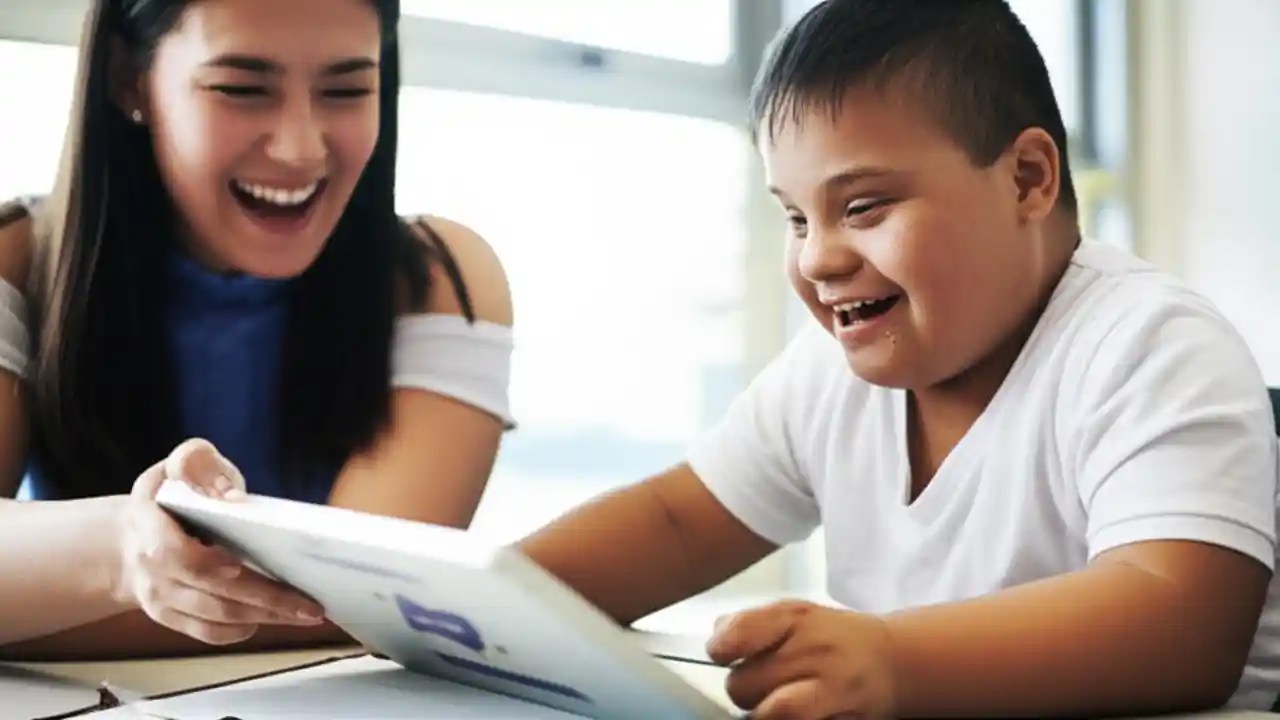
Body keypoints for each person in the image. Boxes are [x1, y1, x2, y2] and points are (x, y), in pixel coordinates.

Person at [519, 1, 1280, 716]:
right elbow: (680, 520)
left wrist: (892, 660)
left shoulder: (1149, 343)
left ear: (1028, 180)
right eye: (794, 216)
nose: (817, 258)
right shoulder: (828, 376)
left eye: (862, 208)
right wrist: (480, 602)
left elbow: (1182, 621)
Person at [0, 0, 514, 659]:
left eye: (348, 88)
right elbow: (343, 603)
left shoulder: (438, 278)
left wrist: (39, 596)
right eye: (241, 89)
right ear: (127, 79)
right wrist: (126, 547)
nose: (299, 147)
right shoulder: (17, 258)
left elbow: (378, 596)